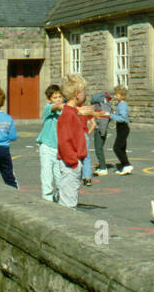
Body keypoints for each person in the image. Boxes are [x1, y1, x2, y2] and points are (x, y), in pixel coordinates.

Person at [56, 75, 89, 209]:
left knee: (70, 198)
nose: (84, 94)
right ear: (76, 94)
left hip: (73, 162)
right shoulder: (68, 115)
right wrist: (73, 162)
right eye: (83, 92)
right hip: (70, 164)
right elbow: (65, 142)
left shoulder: (71, 112)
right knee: (69, 204)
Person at [36, 85, 64, 202]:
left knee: (60, 178)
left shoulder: (64, 112)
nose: (58, 99)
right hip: (47, 147)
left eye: (59, 96)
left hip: (60, 149)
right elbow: (55, 107)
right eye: (55, 97)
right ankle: (47, 199)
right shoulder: (48, 108)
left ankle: (58, 196)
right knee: (47, 176)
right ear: (49, 99)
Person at [111, 86, 132, 174]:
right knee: (122, 148)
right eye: (115, 94)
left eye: (117, 95)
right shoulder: (120, 104)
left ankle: (127, 165)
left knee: (117, 148)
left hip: (123, 127)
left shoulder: (122, 104)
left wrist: (110, 115)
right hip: (121, 127)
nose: (115, 96)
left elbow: (122, 118)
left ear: (123, 96)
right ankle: (125, 166)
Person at [89, 89, 111, 175]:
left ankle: (103, 168)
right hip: (99, 128)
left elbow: (105, 119)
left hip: (100, 129)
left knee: (98, 148)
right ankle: (101, 166)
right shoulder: (101, 104)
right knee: (98, 148)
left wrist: (102, 130)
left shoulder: (103, 105)